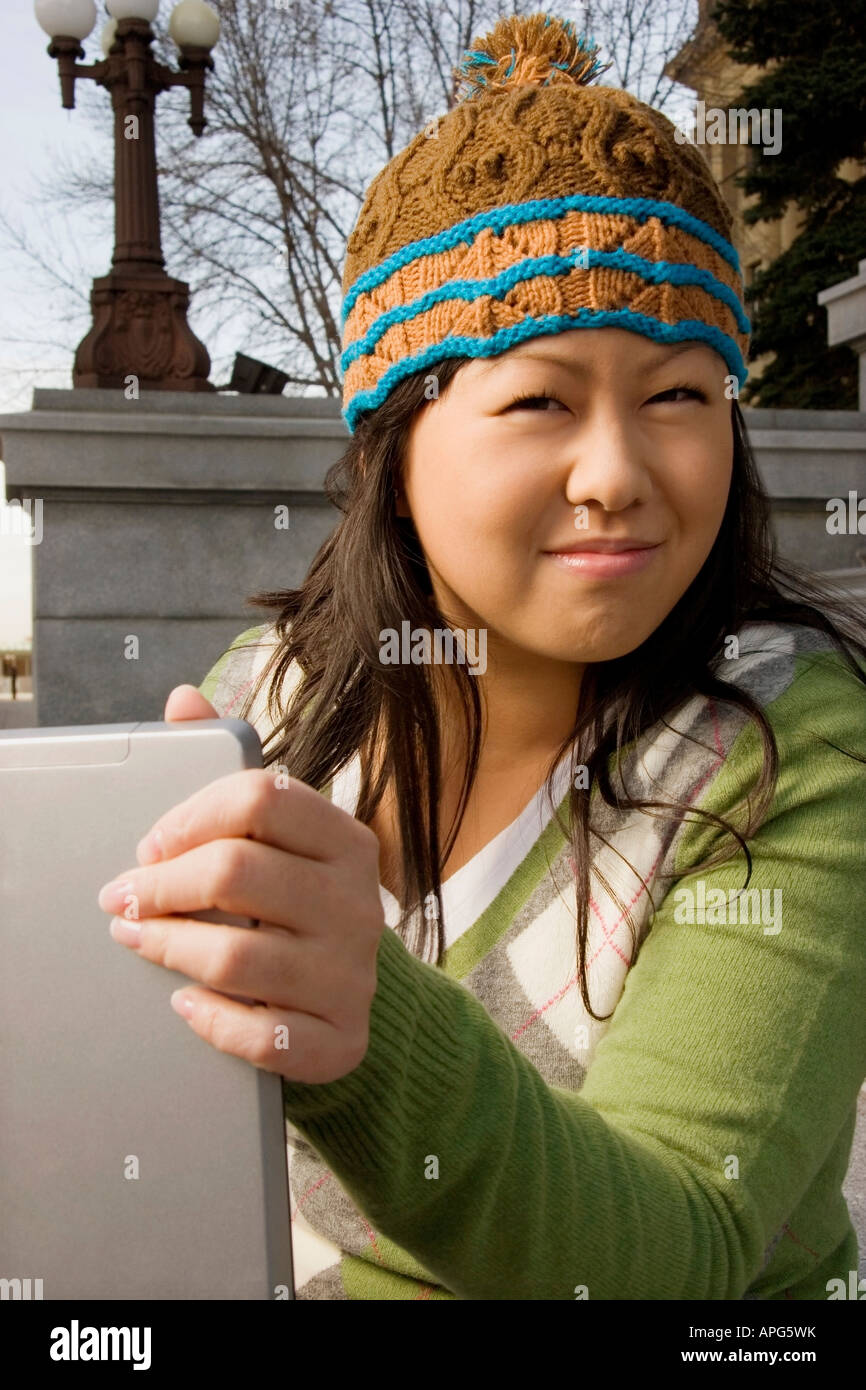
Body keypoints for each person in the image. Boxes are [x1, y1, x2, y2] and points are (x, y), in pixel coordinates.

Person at [97, 12, 866, 1300]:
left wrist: (367, 1035)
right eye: (539, 401)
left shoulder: (791, 746)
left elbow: (678, 1256)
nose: (618, 474)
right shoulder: (260, 702)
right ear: (393, 450)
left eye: (681, 395)